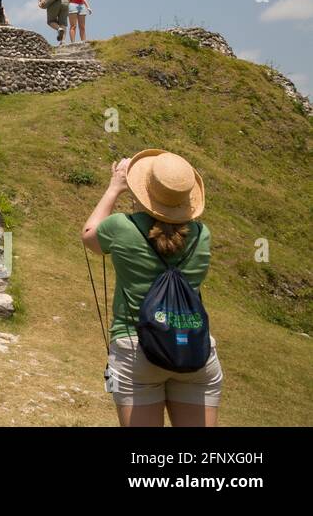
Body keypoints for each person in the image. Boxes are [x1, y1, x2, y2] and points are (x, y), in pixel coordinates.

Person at [80, 150, 222, 427]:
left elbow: (89, 238)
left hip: (136, 349)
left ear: (143, 189)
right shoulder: (202, 235)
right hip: (193, 349)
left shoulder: (121, 227)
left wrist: (115, 186)